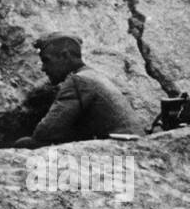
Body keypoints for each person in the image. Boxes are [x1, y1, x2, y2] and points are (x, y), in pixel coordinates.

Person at [12, 33, 142, 148]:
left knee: (24, 143)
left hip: (119, 148)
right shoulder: (92, 75)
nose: (43, 68)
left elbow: (46, 132)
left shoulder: (78, 81)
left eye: (47, 61)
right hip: (132, 144)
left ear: (65, 56)